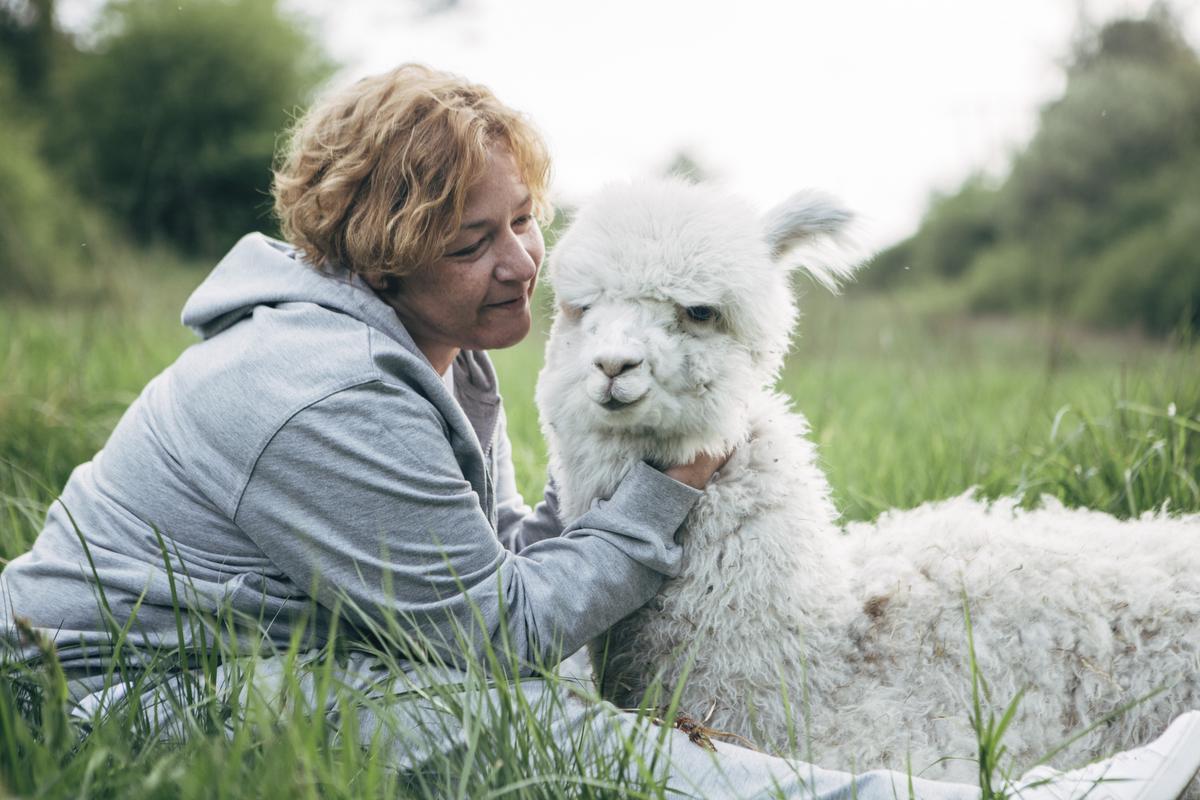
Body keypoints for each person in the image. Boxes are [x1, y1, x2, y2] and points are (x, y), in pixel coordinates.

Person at [2, 63, 1199, 800]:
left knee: (541, 715)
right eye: (474, 243)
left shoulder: (438, 352)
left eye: (523, 219)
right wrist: (672, 488)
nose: (523, 262)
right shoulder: (324, 394)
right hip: (105, 693)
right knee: (532, 731)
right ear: (382, 257)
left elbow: (494, 554)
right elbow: (497, 631)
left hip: (240, 652)